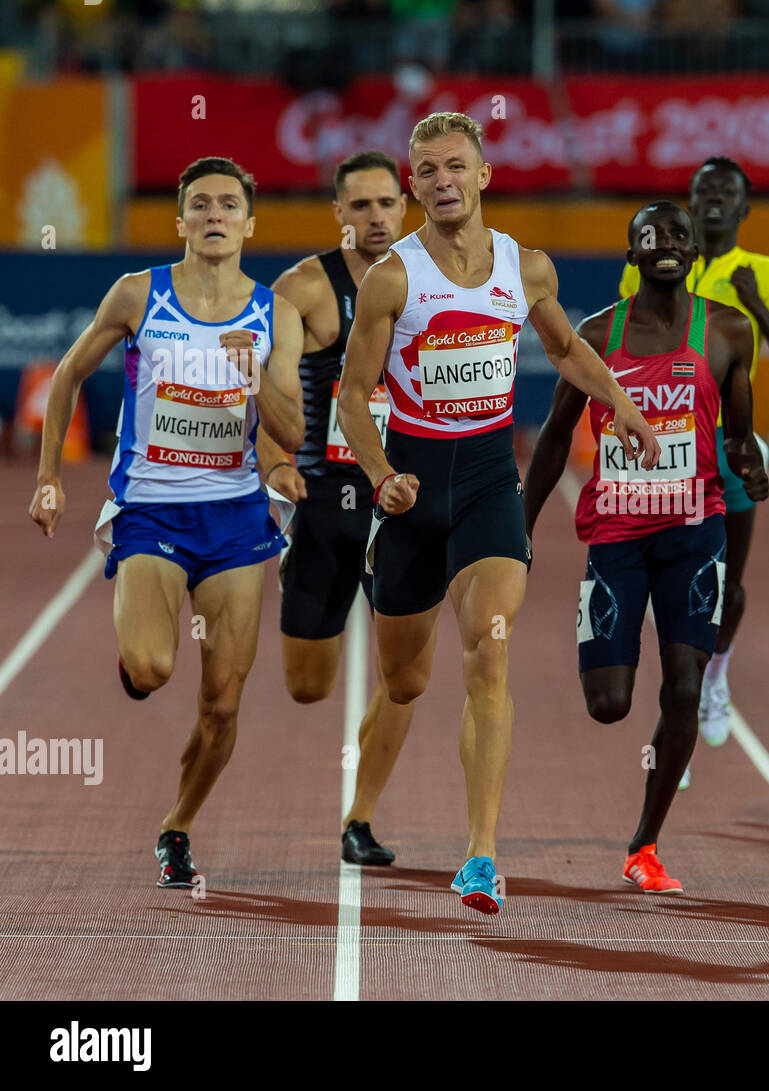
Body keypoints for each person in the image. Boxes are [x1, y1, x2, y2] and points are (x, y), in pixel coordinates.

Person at [336, 111, 660, 915]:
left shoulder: (526, 267)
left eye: (456, 166)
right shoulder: (392, 278)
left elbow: (564, 347)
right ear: (413, 187)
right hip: (411, 487)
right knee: (405, 679)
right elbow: (350, 396)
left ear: (483, 176)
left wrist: (618, 399)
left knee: (490, 650)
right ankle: (360, 810)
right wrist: (381, 476)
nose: (442, 181)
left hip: (486, 482)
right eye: (427, 172)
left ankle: (481, 853)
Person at [29, 157, 305, 889]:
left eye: (228, 204)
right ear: (180, 221)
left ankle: (177, 824)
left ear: (250, 222)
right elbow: (67, 375)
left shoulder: (276, 313)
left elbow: (291, 427)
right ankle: (136, 661)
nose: (215, 215)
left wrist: (253, 379)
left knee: (221, 704)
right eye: (200, 204)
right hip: (152, 511)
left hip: (238, 519)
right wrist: (51, 475)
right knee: (152, 667)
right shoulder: (137, 295)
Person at [523, 199, 765, 893]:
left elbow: (740, 433)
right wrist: (523, 522)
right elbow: (550, 440)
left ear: (695, 252)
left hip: (695, 533)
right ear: (632, 255)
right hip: (618, 536)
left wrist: (749, 461)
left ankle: (646, 842)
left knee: (685, 684)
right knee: (609, 702)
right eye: (649, 237)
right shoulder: (597, 335)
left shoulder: (726, 331)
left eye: (678, 235)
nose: (665, 244)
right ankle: (643, 825)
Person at [256, 150, 416, 866]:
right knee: (307, 687)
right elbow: (267, 393)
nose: (376, 217)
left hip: (405, 503)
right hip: (328, 504)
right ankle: (306, 575)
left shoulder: (436, 283)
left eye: (387, 203)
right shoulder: (304, 288)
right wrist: (279, 463)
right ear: (339, 214)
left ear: (406, 207)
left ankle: (361, 817)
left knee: (405, 676)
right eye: (361, 206)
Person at [619, 157, 769, 767]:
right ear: (691, 205)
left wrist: (754, 301)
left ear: (746, 208)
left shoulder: (766, 272)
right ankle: (679, 707)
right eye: (704, 190)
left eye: (728, 191)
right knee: (666, 579)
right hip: (668, 440)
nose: (716, 198)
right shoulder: (656, 262)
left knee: (728, 584)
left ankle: (713, 674)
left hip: (731, 442)